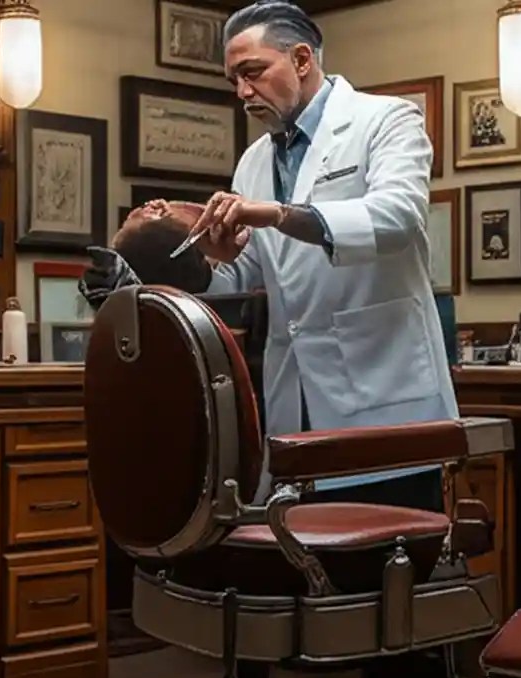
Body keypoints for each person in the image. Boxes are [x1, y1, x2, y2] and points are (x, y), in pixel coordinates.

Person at [190, 0, 457, 512]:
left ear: (302, 59)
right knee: (310, 572)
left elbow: (397, 219)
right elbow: (247, 274)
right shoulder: (255, 161)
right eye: (234, 80)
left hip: (385, 396)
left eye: (253, 73)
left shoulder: (386, 119)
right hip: (297, 402)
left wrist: (278, 214)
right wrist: (211, 259)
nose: (243, 93)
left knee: (387, 562)